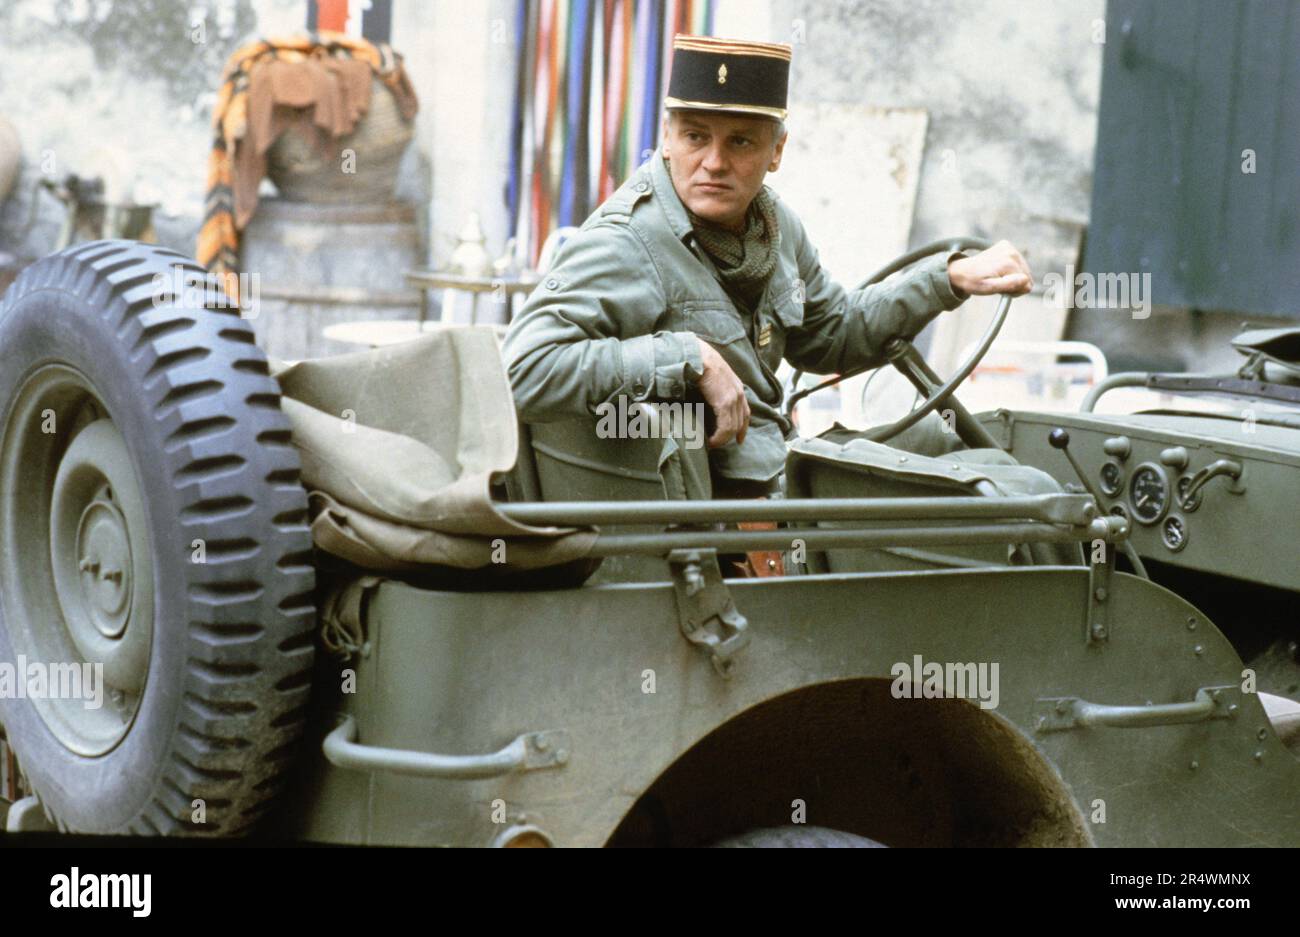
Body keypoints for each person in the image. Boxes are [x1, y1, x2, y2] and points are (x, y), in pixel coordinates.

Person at [503, 34, 1032, 499]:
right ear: (666, 139)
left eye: (739, 142)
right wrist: (686, 356)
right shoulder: (628, 240)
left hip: (776, 469)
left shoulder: (774, 227)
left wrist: (946, 279)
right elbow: (521, 370)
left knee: (983, 463)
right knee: (988, 496)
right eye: (695, 136)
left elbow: (834, 334)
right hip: (722, 512)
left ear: (776, 151)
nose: (713, 162)